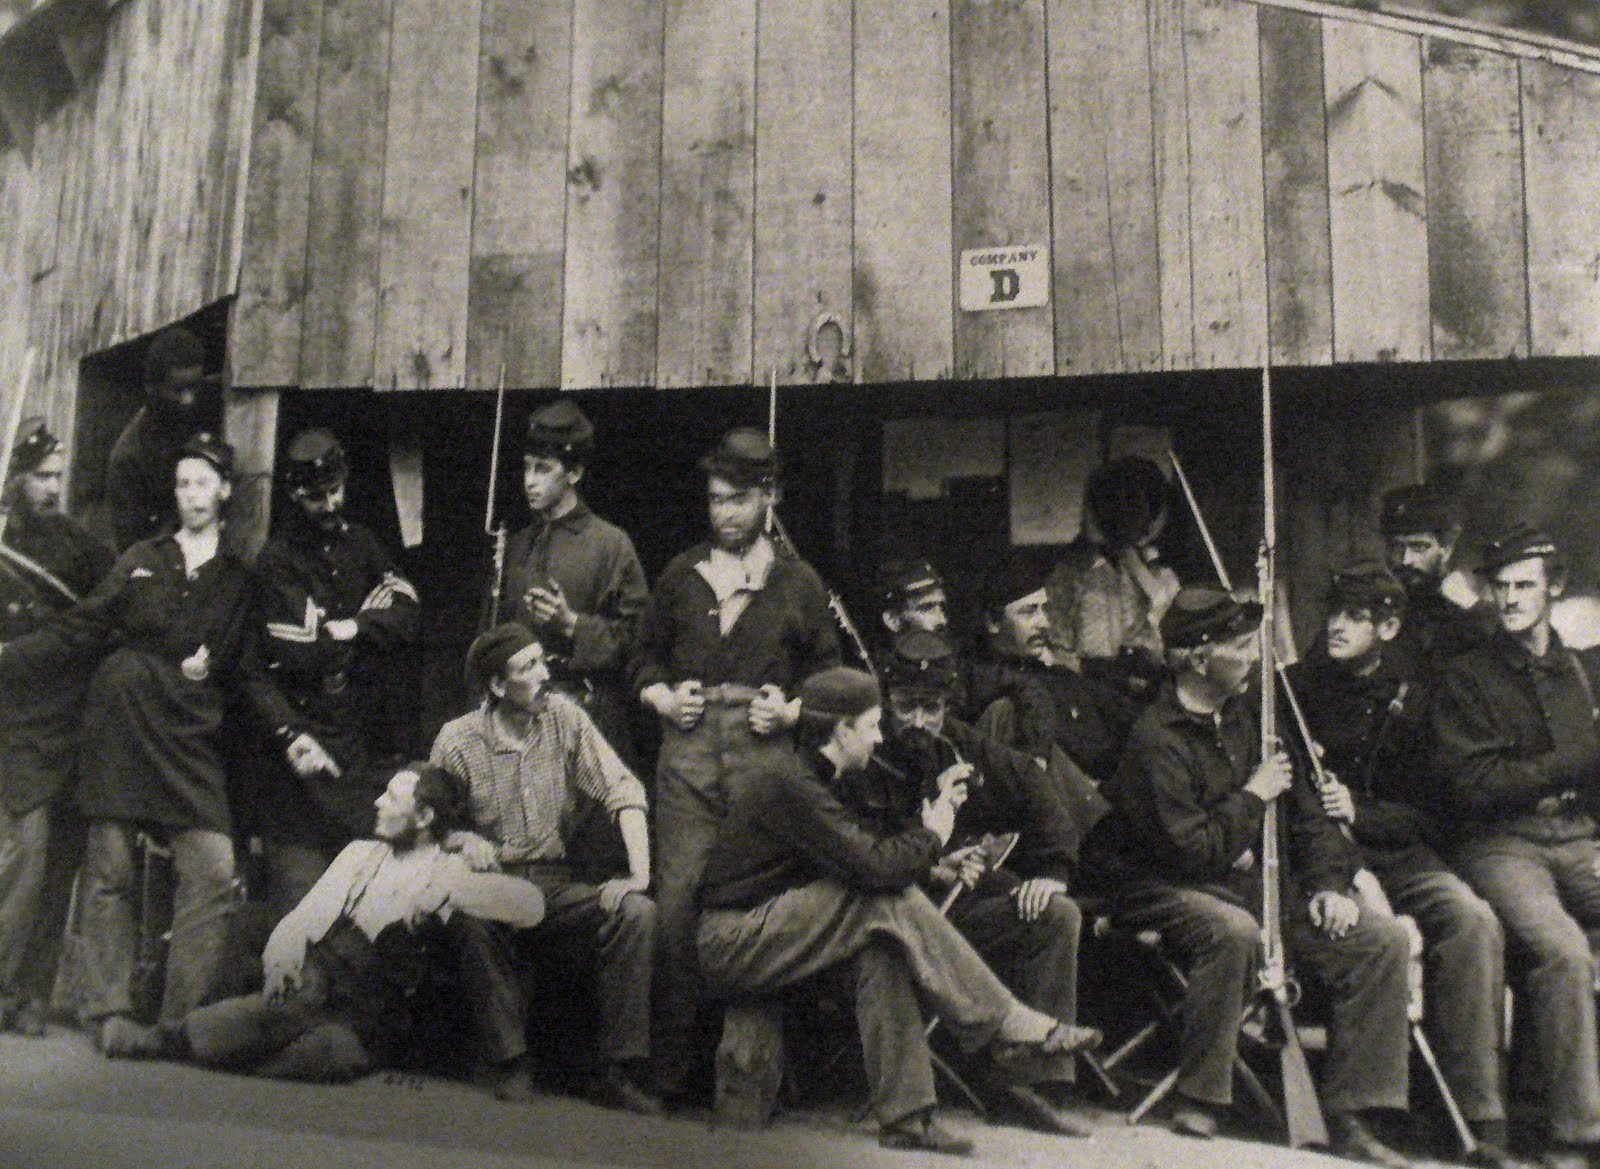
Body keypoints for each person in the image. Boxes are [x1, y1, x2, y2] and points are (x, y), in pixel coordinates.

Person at [696, 666, 1101, 1155]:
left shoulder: (814, 778)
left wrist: (932, 865)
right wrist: (934, 831)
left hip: (787, 932)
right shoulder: (794, 785)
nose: (879, 737)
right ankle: (1007, 1023)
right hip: (736, 942)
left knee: (882, 950)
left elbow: (859, 858)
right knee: (880, 896)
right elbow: (872, 867)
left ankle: (908, 1116)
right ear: (842, 730)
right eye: (871, 726)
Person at [0, 432, 298, 1057]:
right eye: (182, 483)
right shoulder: (142, 557)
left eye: (202, 483)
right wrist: (12, 657)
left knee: (213, 868)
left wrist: (290, 733)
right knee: (109, 869)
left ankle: (179, 1023)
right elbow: (82, 628)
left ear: (224, 491)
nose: (191, 495)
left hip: (190, 735)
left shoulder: (240, 578)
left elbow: (244, 672)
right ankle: (106, 1009)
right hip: (119, 722)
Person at [1093, 587, 1414, 1166]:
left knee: (1380, 940)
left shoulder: (1253, 717)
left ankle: (1354, 1113)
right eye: (1241, 646)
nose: (1254, 657)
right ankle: (1200, 1094)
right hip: (1164, 888)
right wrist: (1252, 795)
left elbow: (1309, 815)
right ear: (1197, 657)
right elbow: (1192, 854)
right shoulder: (1154, 740)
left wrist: (1327, 886)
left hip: (1256, 884)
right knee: (1234, 930)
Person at [630, 427, 840, 1100]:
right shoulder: (680, 573)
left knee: (755, 904)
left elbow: (831, 675)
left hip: (763, 761)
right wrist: (663, 694)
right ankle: (670, 1072)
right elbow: (640, 656)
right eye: (715, 500)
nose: (723, 514)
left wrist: (790, 709)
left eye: (737, 501)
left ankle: (755, 1074)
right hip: (688, 759)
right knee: (676, 904)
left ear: (769, 498)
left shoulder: (799, 582)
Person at [1287, 561, 1514, 1168]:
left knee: (1472, 920)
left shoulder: (1421, 697)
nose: (1336, 626)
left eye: (1355, 617)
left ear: (1388, 627)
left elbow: (1437, 810)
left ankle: (1477, 1114)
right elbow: (1295, 809)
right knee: (1375, 938)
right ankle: (1372, 1112)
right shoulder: (1294, 690)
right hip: (1322, 859)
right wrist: (1341, 848)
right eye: (1333, 613)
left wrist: (1361, 811)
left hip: (1399, 852)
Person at [846, 630, 1102, 1136]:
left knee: (1056, 914)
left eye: (932, 708)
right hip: (890, 915)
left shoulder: (958, 744)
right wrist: (932, 862)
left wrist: (1052, 872)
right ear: (885, 702)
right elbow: (863, 857)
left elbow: (1036, 788)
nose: (920, 722)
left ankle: (1023, 1084)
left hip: (953, 911)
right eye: (906, 708)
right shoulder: (864, 753)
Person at [181, 764, 546, 1084]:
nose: (377, 803)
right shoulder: (361, 853)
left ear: (423, 818)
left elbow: (531, 904)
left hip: (375, 1010)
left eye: (390, 797)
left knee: (331, 1054)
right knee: (284, 1007)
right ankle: (167, 1038)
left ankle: (237, 1054)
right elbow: (308, 915)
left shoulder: (450, 869)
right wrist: (280, 962)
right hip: (321, 974)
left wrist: (450, 894)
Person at [430, 622, 661, 1114]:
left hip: (556, 885)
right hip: (494, 885)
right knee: (467, 917)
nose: (545, 674)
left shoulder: (565, 718)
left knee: (636, 913)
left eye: (543, 661)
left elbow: (623, 790)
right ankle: (509, 1061)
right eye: (528, 667)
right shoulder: (456, 740)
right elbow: (431, 826)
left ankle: (619, 1071)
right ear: (496, 686)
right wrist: (463, 839)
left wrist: (638, 874)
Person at [1430, 527, 1600, 1169]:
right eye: (1499, 587)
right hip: (1502, 845)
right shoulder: (1466, 678)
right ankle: (1575, 1136)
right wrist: (1571, 761)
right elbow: (1473, 789)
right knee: (1563, 951)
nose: (1509, 599)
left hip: (1579, 836)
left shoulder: (1583, 670)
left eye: (1524, 585)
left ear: (1554, 588)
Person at [247, 427, 421, 918]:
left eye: (336, 491)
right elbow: (301, 651)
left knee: (367, 903)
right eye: (316, 497)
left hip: (359, 740)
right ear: (294, 495)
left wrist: (352, 629)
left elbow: (407, 610)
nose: (329, 505)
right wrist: (357, 631)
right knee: (300, 908)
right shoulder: (276, 561)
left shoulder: (362, 543)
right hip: (302, 750)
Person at [0, 420, 114, 1035]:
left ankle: (33, 994)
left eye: (57, 478)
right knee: (21, 860)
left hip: (71, 724)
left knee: (58, 867)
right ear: (14, 479)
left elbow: (109, 611)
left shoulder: (80, 546)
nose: (52, 489)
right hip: (12, 729)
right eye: (41, 477)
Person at [498, 400, 649, 761]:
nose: (529, 481)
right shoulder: (515, 546)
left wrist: (573, 625)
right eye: (526, 468)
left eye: (543, 469)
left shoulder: (610, 544)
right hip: (519, 720)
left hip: (588, 716)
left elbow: (640, 641)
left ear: (574, 473)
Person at [964, 552, 1125, 782]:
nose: (1044, 623)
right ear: (993, 622)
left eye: (1044, 609)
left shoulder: (1054, 675)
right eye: (1029, 612)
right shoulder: (985, 686)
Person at [103, 326, 217, 552]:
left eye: (195, 387)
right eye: (178, 390)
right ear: (151, 388)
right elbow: (133, 549)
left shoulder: (211, 407)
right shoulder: (130, 456)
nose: (189, 400)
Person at [1378, 484, 1491, 675]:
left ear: (1446, 550)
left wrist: (1473, 608)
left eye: (1419, 547)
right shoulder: (1373, 604)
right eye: (1396, 548)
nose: (1406, 560)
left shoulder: (1466, 613)